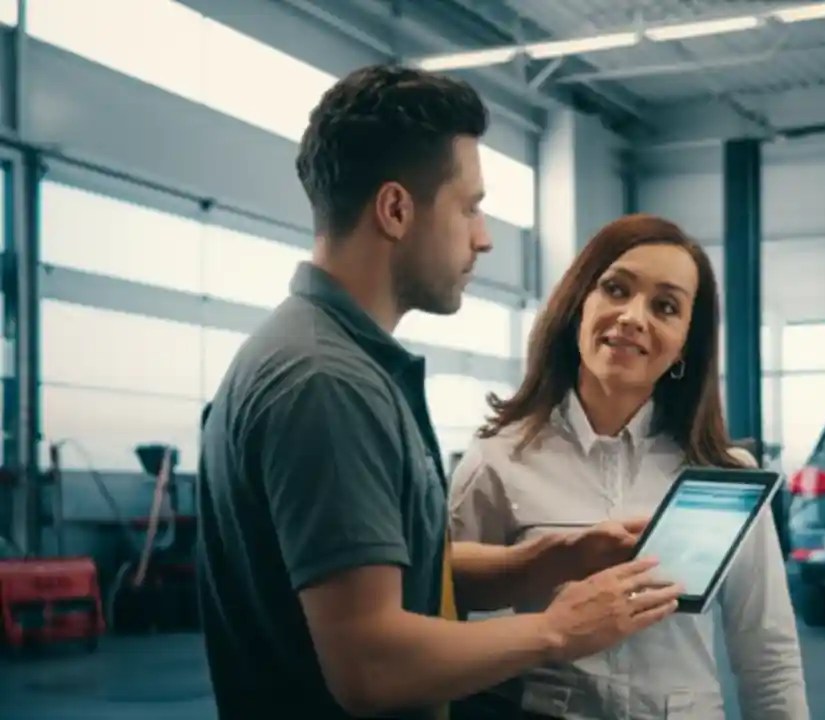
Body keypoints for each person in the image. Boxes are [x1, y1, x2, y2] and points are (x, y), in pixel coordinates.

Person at [195, 65, 682, 720]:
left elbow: (387, 574)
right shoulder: (327, 383)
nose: (482, 237)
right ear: (396, 210)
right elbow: (372, 663)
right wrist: (557, 629)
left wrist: (538, 562)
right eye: (469, 208)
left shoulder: (330, 357)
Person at [449, 214, 809, 720]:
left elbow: (767, 654)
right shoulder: (497, 458)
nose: (633, 317)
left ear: (686, 342)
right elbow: (450, 625)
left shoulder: (726, 474)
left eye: (665, 306)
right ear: (579, 305)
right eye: (616, 289)